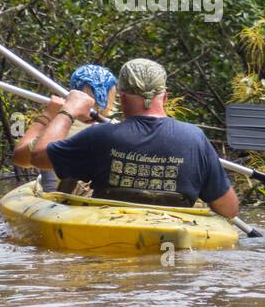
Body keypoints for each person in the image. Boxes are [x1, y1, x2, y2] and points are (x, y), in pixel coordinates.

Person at [12, 58, 239, 218]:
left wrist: (67, 110)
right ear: (165, 96)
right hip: (170, 237)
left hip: (108, 233)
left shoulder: (99, 136)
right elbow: (229, 209)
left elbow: (37, 156)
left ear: (121, 95)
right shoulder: (195, 138)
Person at [36, 64, 118, 193]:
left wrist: (46, 117)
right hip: (96, 199)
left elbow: (27, 158)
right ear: (111, 97)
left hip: (59, 197)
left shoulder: (56, 129)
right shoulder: (120, 129)